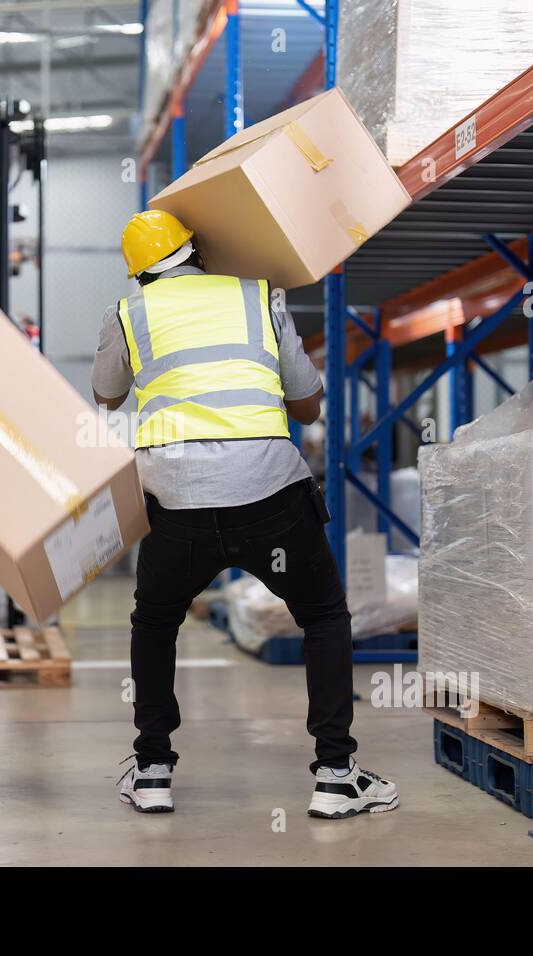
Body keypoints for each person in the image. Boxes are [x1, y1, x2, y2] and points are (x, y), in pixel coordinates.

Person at [92, 209, 398, 819]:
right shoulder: (260, 298)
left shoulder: (127, 314)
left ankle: (152, 770)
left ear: (139, 273)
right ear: (197, 250)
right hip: (271, 500)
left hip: (177, 503)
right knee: (323, 617)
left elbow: (106, 395)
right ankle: (336, 774)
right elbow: (308, 408)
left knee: (154, 621)